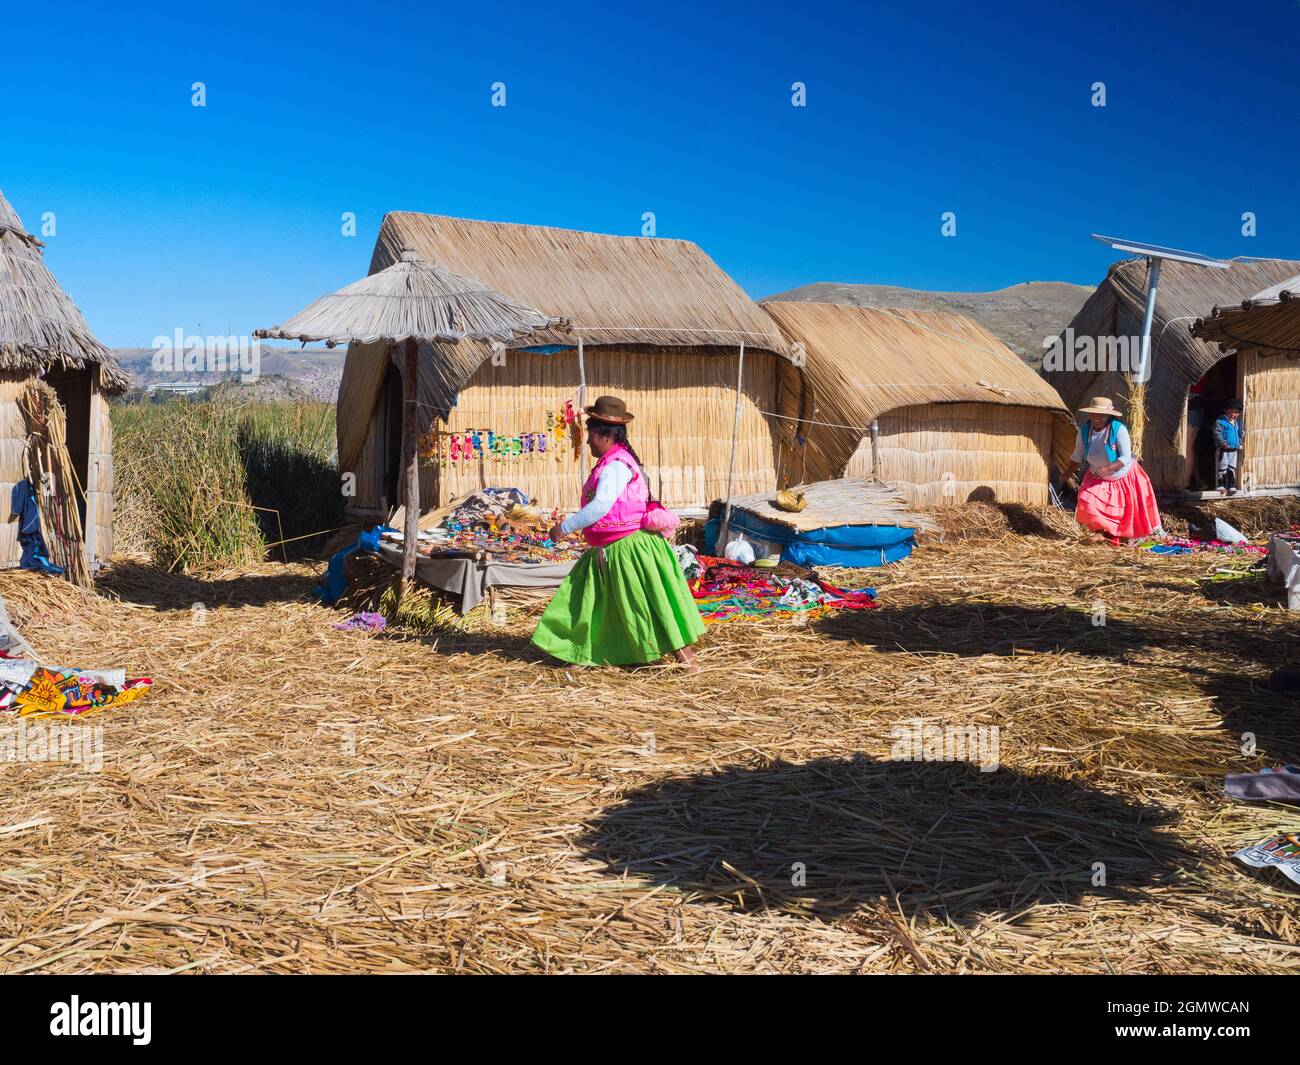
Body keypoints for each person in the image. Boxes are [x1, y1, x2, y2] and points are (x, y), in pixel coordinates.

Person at [531, 395, 704, 672]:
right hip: (607, 549)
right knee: (591, 603)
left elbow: (601, 506)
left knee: (651, 603)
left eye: (590, 436)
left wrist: (564, 528)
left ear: (606, 436)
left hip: (630, 549)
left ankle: (689, 663)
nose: (587, 442)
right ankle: (581, 655)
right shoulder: (611, 461)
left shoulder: (616, 466)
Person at [1063, 396, 1161, 544]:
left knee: (1124, 508)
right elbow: (1077, 456)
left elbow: (1125, 457)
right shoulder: (1084, 431)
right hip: (1097, 474)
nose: (1097, 418)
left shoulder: (1118, 429)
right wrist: (1068, 473)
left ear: (1108, 416)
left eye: (1101, 415)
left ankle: (1126, 534)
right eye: (1094, 414)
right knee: (1089, 500)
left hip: (1124, 475)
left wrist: (1108, 468)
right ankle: (1099, 532)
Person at [1213, 399, 1244, 496]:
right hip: (1223, 450)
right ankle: (1221, 486)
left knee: (1231, 468)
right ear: (1226, 411)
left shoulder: (1236, 423)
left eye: (1236, 412)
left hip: (1233, 450)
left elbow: (1238, 435)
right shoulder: (1220, 422)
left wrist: (1239, 442)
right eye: (1231, 412)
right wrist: (1222, 442)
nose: (1233, 414)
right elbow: (1216, 433)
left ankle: (1231, 486)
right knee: (1222, 468)